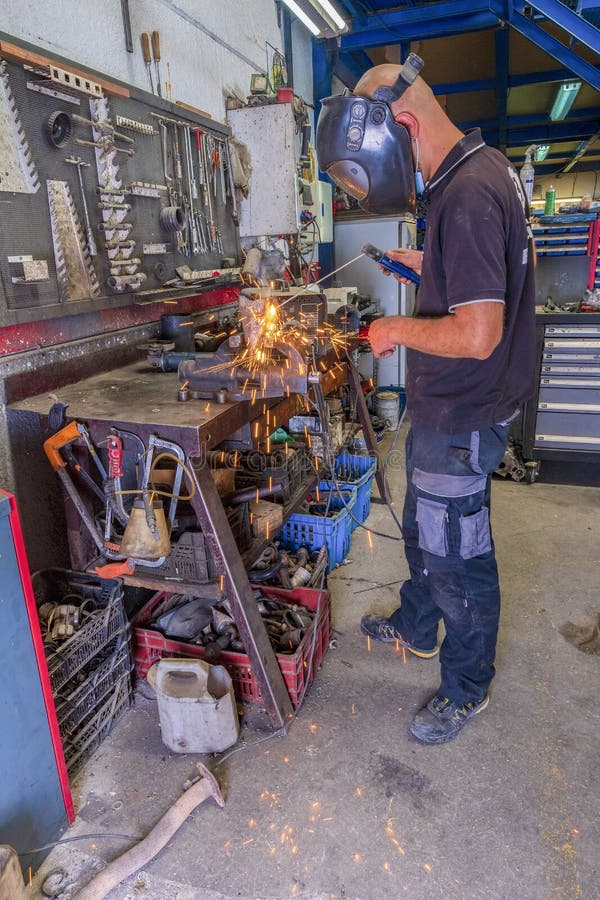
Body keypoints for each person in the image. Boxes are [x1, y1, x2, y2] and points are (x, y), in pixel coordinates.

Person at [316, 61, 536, 744]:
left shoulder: (467, 194)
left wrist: (394, 329)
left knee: (457, 557)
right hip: (449, 405)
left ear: (402, 125)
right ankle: (418, 624)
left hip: (466, 410)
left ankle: (468, 686)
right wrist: (427, 265)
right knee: (423, 524)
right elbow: (476, 272)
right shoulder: (477, 170)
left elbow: (478, 333)